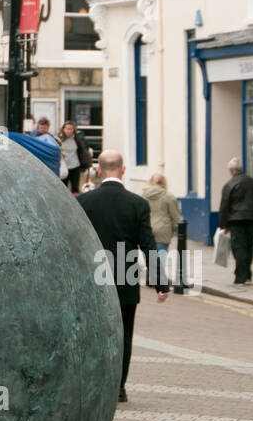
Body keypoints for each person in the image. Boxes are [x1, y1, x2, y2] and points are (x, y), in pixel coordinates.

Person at [78, 150, 166, 403]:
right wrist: (160, 283)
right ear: (123, 170)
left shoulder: (84, 202)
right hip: (126, 278)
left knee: (93, 334)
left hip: (94, 278)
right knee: (124, 334)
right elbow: (149, 246)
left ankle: (95, 385)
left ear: (98, 171)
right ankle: (118, 387)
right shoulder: (137, 204)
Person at [218, 157, 253, 286]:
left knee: (239, 247)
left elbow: (224, 206)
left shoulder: (229, 184)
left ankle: (240, 277)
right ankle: (248, 274)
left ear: (232, 170)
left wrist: (224, 225)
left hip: (236, 220)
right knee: (249, 246)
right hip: (252, 219)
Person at [142, 172, 183, 288]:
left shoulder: (143, 196)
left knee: (149, 252)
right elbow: (176, 216)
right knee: (161, 253)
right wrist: (181, 225)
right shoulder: (168, 197)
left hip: (147, 227)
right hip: (163, 229)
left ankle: (150, 276)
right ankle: (158, 278)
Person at [58, 120, 93, 193]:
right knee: (63, 189)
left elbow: (83, 151)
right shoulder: (59, 139)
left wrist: (87, 163)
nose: (69, 131)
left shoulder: (77, 139)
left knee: (75, 189)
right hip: (64, 168)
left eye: (71, 129)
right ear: (63, 129)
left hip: (75, 167)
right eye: (67, 129)